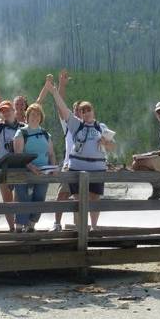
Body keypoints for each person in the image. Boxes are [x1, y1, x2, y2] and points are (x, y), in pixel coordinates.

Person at [46, 75, 116, 230]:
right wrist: (54, 92)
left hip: (97, 169)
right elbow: (63, 109)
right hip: (76, 168)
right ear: (80, 114)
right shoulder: (76, 125)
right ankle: (80, 228)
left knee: (95, 198)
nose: (86, 112)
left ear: (93, 111)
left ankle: (94, 227)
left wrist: (106, 143)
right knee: (77, 199)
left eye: (88, 109)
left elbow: (112, 147)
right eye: (83, 110)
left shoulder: (101, 127)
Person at [13, 103, 57, 232]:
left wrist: (53, 167)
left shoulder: (45, 134)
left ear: (41, 117)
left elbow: (51, 153)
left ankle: (31, 224)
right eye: (32, 114)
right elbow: (18, 155)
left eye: (38, 114)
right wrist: (30, 166)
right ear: (27, 117)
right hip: (24, 170)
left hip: (43, 171)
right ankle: (19, 226)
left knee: (40, 197)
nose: (35, 117)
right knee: (23, 198)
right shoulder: (21, 132)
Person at [0, 100, 25, 231]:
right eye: (2, 111)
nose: (5, 113)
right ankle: (12, 228)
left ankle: (19, 225)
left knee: (19, 196)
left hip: (18, 165)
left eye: (7, 110)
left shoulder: (22, 127)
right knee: (7, 198)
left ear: (13, 111)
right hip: (2, 166)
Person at [51, 69, 78, 232]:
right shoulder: (68, 124)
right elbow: (61, 105)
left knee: (81, 198)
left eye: (80, 110)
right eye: (74, 109)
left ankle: (79, 226)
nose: (76, 112)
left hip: (85, 166)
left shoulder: (89, 126)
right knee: (62, 195)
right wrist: (62, 84)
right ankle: (57, 223)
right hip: (69, 165)